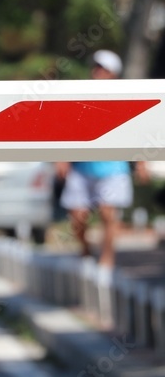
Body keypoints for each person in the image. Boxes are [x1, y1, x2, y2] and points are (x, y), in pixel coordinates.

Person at [57, 50, 148, 267]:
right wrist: (62, 159)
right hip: (83, 168)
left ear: (113, 73)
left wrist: (142, 162)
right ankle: (86, 253)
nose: (97, 71)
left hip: (113, 168)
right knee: (78, 216)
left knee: (108, 215)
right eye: (96, 66)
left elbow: (137, 130)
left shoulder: (124, 97)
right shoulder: (80, 95)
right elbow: (67, 129)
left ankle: (107, 261)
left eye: (103, 68)